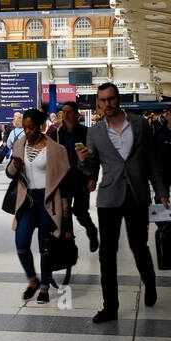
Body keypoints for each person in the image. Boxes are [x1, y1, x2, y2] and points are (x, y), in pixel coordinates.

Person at [78, 82, 169, 323]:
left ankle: (150, 283)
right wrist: (83, 161)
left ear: (119, 99)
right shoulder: (95, 131)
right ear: (98, 103)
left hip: (137, 194)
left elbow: (151, 160)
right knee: (107, 253)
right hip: (110, 196)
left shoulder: (140, 124)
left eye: (111, 99)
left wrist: (162, 191)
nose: (107, 104)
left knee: (139, 246)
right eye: (102, 101)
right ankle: (110, 306)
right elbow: (91, 166)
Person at [6, 107, 71, 302]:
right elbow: (10, 174)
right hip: (27, 200)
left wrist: (65, 212)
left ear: (41, 126)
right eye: (25, 128)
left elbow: (65, 182)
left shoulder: (57, 150)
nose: (28, 131)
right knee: (21, 242)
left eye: (32, 127)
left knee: (46, 246)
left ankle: (44, 286)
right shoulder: (19, 145)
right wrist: (14, 166)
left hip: (48, 200)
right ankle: (32, 279)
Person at [49, 101, 99, 252]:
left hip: (81, 178)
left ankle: (91, 230)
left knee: (79, 209)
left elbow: (94, 158)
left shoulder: (87, 133)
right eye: (63, 112)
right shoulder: (56, 134)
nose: (65, 115)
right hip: (62, 180)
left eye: (69, 112)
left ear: (77, 115)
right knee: (64, 213)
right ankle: (69, 243)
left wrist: (93, 178)